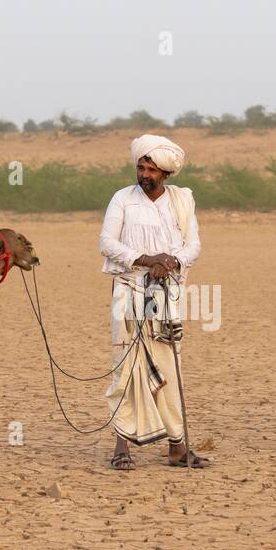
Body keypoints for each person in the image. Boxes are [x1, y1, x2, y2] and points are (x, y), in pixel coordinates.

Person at [98, 134, 208, 470]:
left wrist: (170, 262)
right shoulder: (123, 199)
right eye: (141, 167)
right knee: (127, 367)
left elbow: (193, 246)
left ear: (166, 174)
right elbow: (106, 242)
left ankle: (177, 447)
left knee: (170, 366)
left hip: (168, 294)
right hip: (129, 291)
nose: (144, 173)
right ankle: (122, 447)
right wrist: (147, 259)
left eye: (151, 169)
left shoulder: (181, 202)